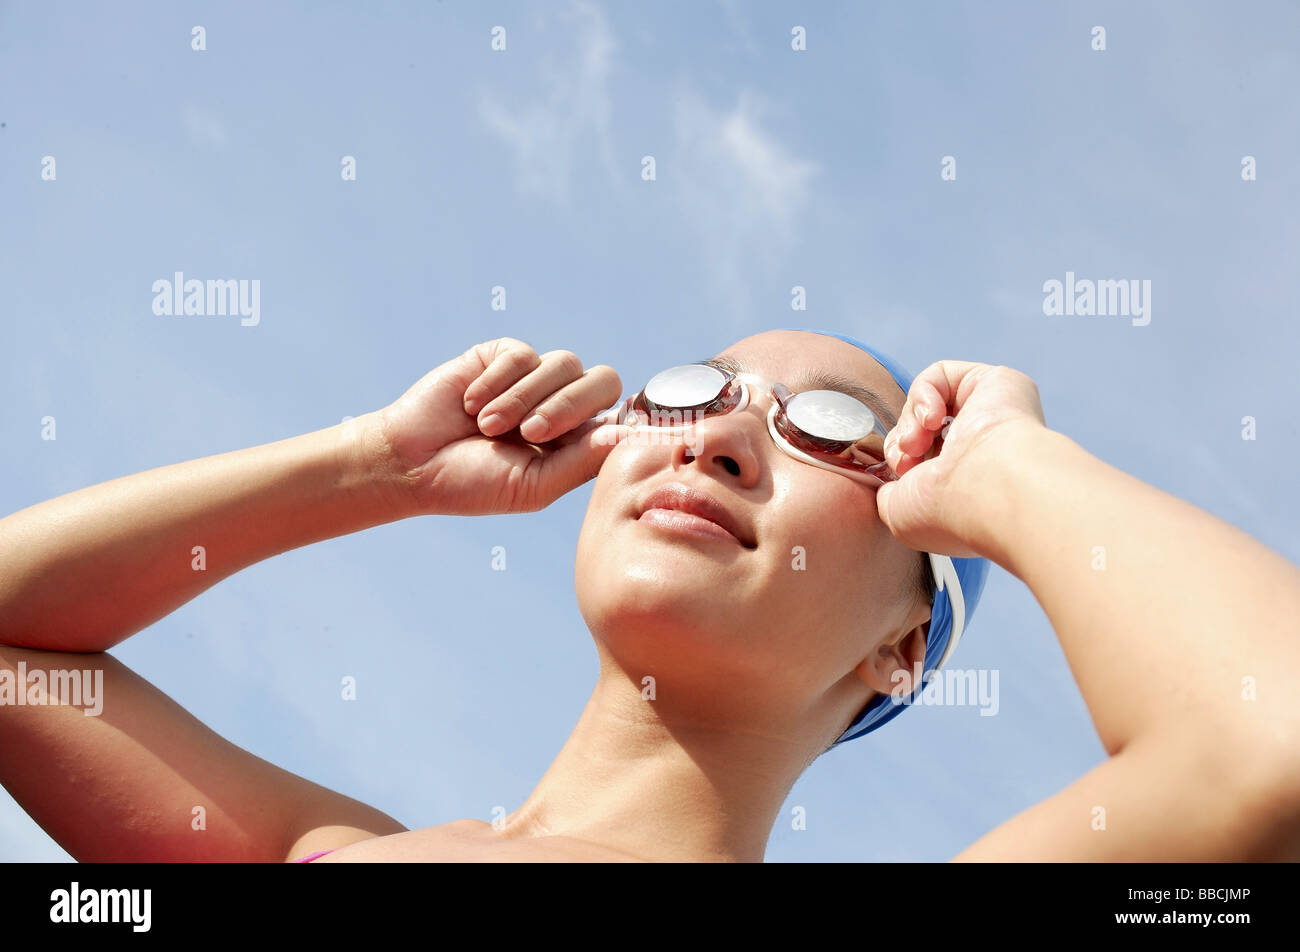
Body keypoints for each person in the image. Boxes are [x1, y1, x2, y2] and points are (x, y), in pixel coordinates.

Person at [1, 329, 1297, 862]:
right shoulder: (325, 853)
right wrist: (370, 465)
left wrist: (1014, 469)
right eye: (695, 391)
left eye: (839, 432)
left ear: (904, 647)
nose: (720, 440)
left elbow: (1267, 741)